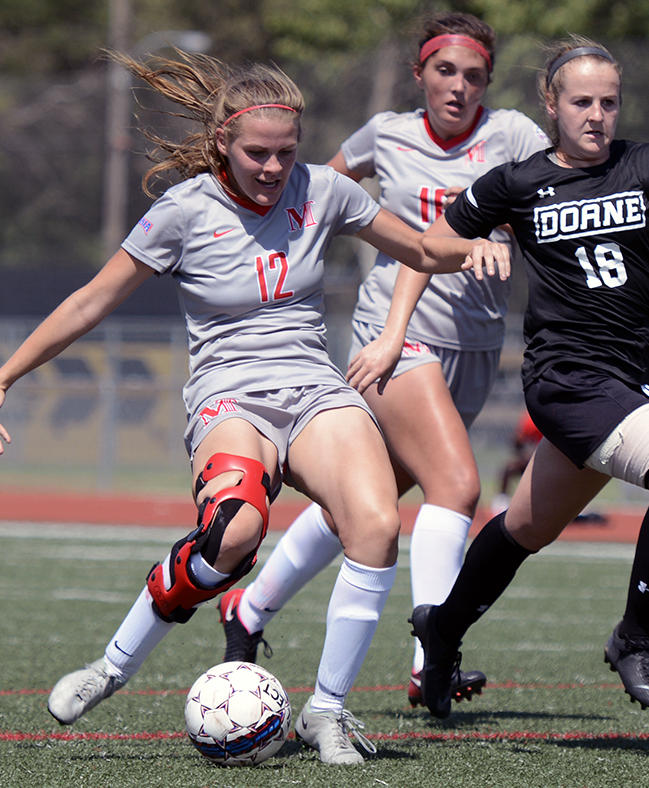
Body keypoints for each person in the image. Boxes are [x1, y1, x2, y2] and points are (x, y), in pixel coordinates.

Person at [0, 52, 508, 765]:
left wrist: (469, 244)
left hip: (314, 390)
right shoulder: (184, 211)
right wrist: (5, 376)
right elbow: (90, 301)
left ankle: (328, 711)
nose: (273, 167)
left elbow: (416, 246)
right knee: (231, 537)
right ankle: (112, 667)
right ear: (223, 141)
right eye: (258, 153)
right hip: (230, 397)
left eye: (286, 152)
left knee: (379, 524)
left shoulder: (324, 190)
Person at [215, 11, 549, 712]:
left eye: (474, 75)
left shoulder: (513, 135)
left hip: (475, 345)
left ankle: (248, 611)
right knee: (456, 488)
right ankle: (435, 656)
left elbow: (549, 200)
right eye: (444, 71)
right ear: (419, 73)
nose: (457, 87)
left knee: (364, 504)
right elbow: (312, 192)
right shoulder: (387, 134)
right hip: (394, 337)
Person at [408, 37, 649, 718]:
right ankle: (633, 636)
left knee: (525, 527)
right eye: (581, 101)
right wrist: (468, 246)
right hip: (565, 378)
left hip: (627, 382)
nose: (597, 115)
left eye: (608, 102)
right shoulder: (520, 180)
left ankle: (441, 631)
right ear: (551, 105)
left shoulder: (648, 165)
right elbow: (426, 246)